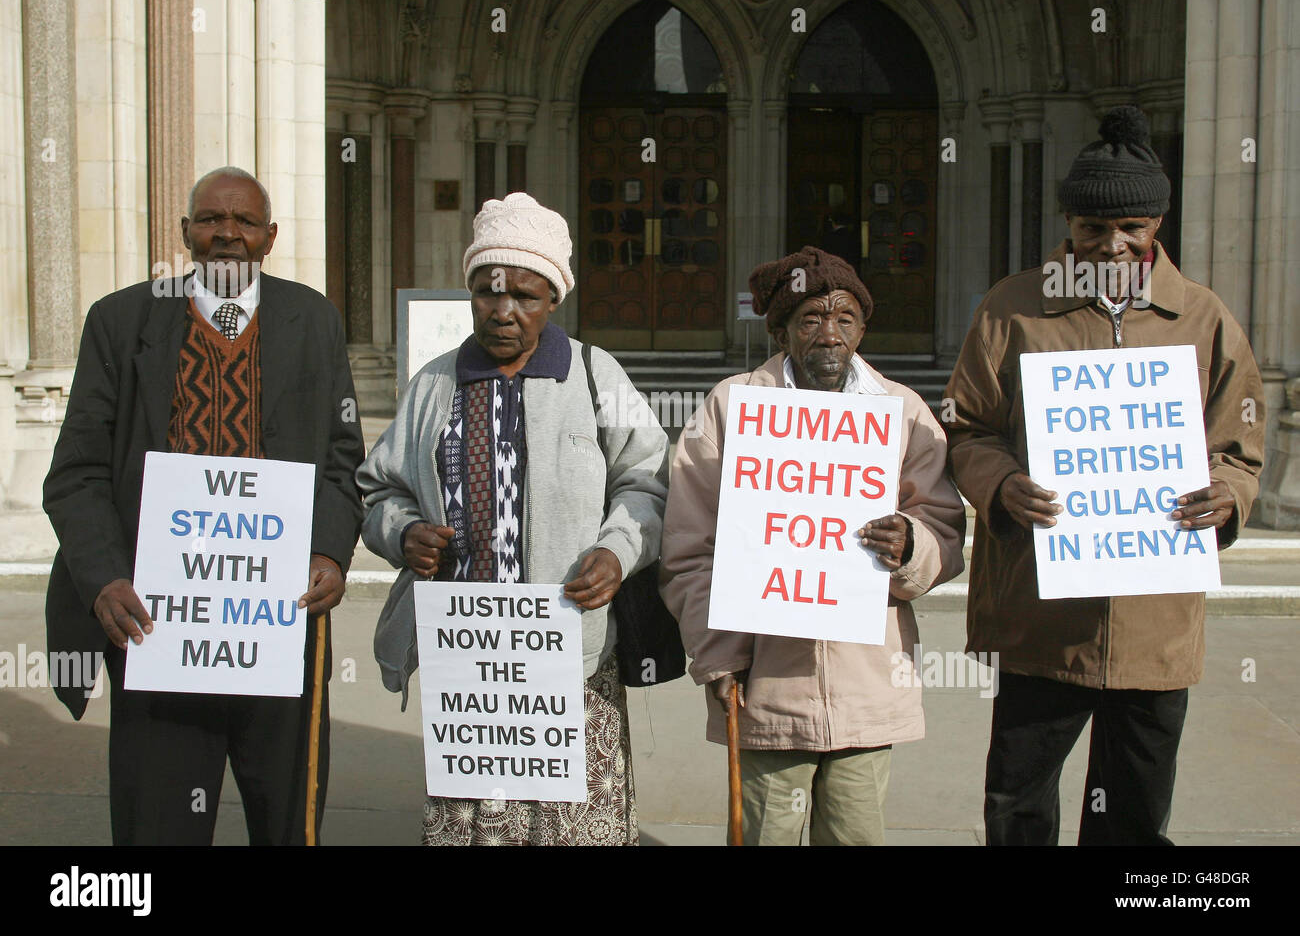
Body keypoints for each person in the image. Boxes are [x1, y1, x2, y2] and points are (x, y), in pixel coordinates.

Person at [942, 106, 1266, 846]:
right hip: (1041, 614)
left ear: (1158, 225)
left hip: (1157, 618)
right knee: (1018, 806)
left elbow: (1240, 444)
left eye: (1132, 228)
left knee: (1136, 813)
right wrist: (999, 484)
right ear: (1069, 225)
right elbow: (966, 427)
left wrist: (1228, 494)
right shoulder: (1014, 308)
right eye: (1092, 229)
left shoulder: (1206, 320)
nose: (1112, 245)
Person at [43, 166, 365, 845]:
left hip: (276, 625)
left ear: (270, 237)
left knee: (286, 825)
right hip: (157, 631)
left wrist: (331, 551)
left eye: (245, 222)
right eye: (211, 220)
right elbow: (75, 474)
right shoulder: (122, 320)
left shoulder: (313, 321)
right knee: (156, 828)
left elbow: (343, 460)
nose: (228, 234)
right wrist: (103, 579)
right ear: (187, 231)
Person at [357, 191, 669, 846]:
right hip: (468, 660)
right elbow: (379, 490)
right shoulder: (435, 385)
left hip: (571, 657)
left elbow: (648, 481)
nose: (503, 312)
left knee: (572, 827)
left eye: (525, 296)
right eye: (487, 292)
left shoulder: (594, 375)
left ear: (553, 298)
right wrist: (402, 531)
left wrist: (615, 552)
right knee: (474, 827)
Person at [660, 245, 966, 845]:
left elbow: (944, 529)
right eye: (811, 319)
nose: (829, 334)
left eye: (844, 318)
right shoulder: (732, 409)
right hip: (766, 690)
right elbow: (688, 547)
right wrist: (718, 654)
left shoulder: (901, 412)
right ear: (782, 329)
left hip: (868, 688)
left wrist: (911, 547)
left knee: (854, 836)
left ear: (862, 328)